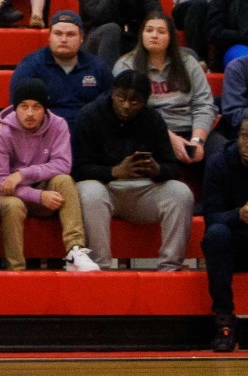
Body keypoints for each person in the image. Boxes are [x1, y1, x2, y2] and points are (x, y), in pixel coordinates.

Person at [72, 70, 195, 271]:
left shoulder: (153, 120)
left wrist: (158, 170)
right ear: (112, 93)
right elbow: (78, 169)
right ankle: (100, 266)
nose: (126, 106)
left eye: (135, 102)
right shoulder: (89, 116)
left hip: (144, 191)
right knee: (89, 192)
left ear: (145, 101)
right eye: (121, 99)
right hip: (106, 188)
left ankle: (170, 267)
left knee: (181, 193)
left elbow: (172, 168)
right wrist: (113, 172)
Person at [0, 77, 99, 273]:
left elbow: (63, 165)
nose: (30, 113)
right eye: (24, 106)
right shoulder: (1, 134)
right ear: (15, 108)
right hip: (14, 196)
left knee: (64, 181)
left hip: (45, 188)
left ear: (45, 109)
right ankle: (16, 269)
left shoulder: (58, 125)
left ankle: (75, 250)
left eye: (37, 107)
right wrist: (38, 196)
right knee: (12, 205)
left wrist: (23, 174)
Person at [114, 15, 216, 165]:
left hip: (190, 128)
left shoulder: (188, 62)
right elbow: (131, 111)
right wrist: (170, 138)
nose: (154, 35)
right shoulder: (126, 65)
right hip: (149, 132)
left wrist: (197, 141)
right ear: (142, 34)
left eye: (161, 31)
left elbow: (204, 104)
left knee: (222, 155)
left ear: (171, 37)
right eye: (149, 30)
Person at [201, 113, 248, 352]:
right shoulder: (219, 163)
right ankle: (224, 321)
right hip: (232, 246)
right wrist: (239, 215)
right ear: (237, 136)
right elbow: (210, 216)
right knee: (216, 234)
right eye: (245, 137)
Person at [11, 12, 113, 128]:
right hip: (45, 136)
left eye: (70, 34)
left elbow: (110, 108)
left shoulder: (98, 67)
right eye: (58, 34)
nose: (63, 39)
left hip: (88, 135)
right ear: (49, 37)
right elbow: (18, 108)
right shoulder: (30, 66)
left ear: (81, 38)